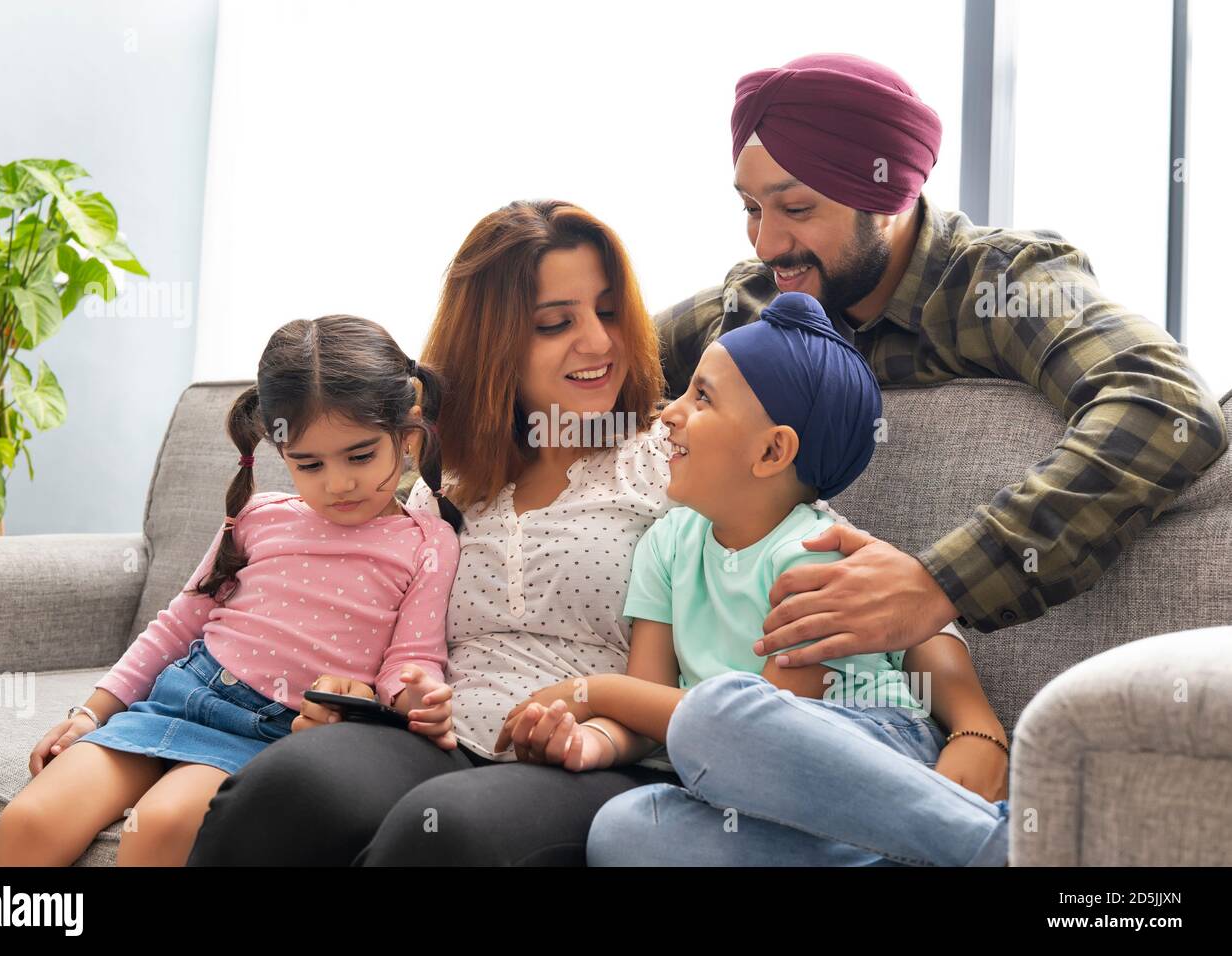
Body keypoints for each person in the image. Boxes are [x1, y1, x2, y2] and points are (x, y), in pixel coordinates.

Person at [186, 201, 980, 867]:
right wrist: (350, 693)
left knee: (444, 833)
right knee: (287, 786)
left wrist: (972, 718)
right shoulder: (436, 483)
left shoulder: (672, 461)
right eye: (556, 322)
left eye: (606, 312)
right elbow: (373, 626)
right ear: (493, 339)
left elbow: (853, 576)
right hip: (442, 732)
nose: (597, 342)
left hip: (598, 756)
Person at [658, 52, 1228, 673]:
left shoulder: (999, 285)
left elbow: (1162, 400)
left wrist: (937, 585)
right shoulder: (754, 299)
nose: (766, 244)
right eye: (750, 208)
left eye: (796, 209)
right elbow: (593, 361)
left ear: (886, 198)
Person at [527, 292, 1007, 865]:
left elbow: (773, 717)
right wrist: (592, 739)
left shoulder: (812, 551)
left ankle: (999, 846)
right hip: (752, 784)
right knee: (626, 828)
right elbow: (652, 708)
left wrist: (594, 691)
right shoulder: (665, 545)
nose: (669, 412)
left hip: (869, 745)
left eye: (701, 397)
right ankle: (927, 852)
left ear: (773, 450)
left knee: (718, 713)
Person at [0, 315, 460, 866]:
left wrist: (418, 698)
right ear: (281, 453)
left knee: (160, 826)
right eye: (309, 464)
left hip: (271, 733)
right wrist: (92, 713)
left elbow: (410, 661)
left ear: (407, 436)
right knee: (28, 822)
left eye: (360, 456)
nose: (338, 483)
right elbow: (176, 626)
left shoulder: (427, 542)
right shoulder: (256, 518)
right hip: (178, 696)